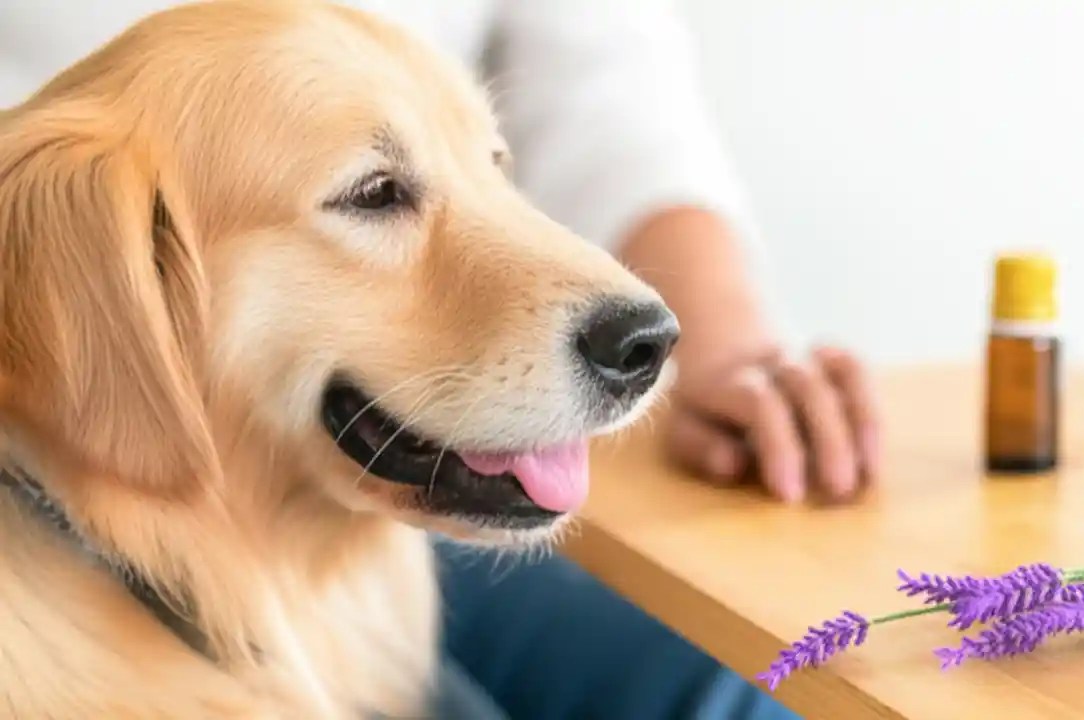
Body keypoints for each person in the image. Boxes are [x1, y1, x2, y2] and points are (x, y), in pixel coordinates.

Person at [1, 2, 881, 717]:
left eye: (491, 165)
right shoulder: (84, 207)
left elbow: (606, 75)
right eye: (376, 195)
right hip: (72, 505)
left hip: (349, 580)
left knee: (755, 686)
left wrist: (730, 346)